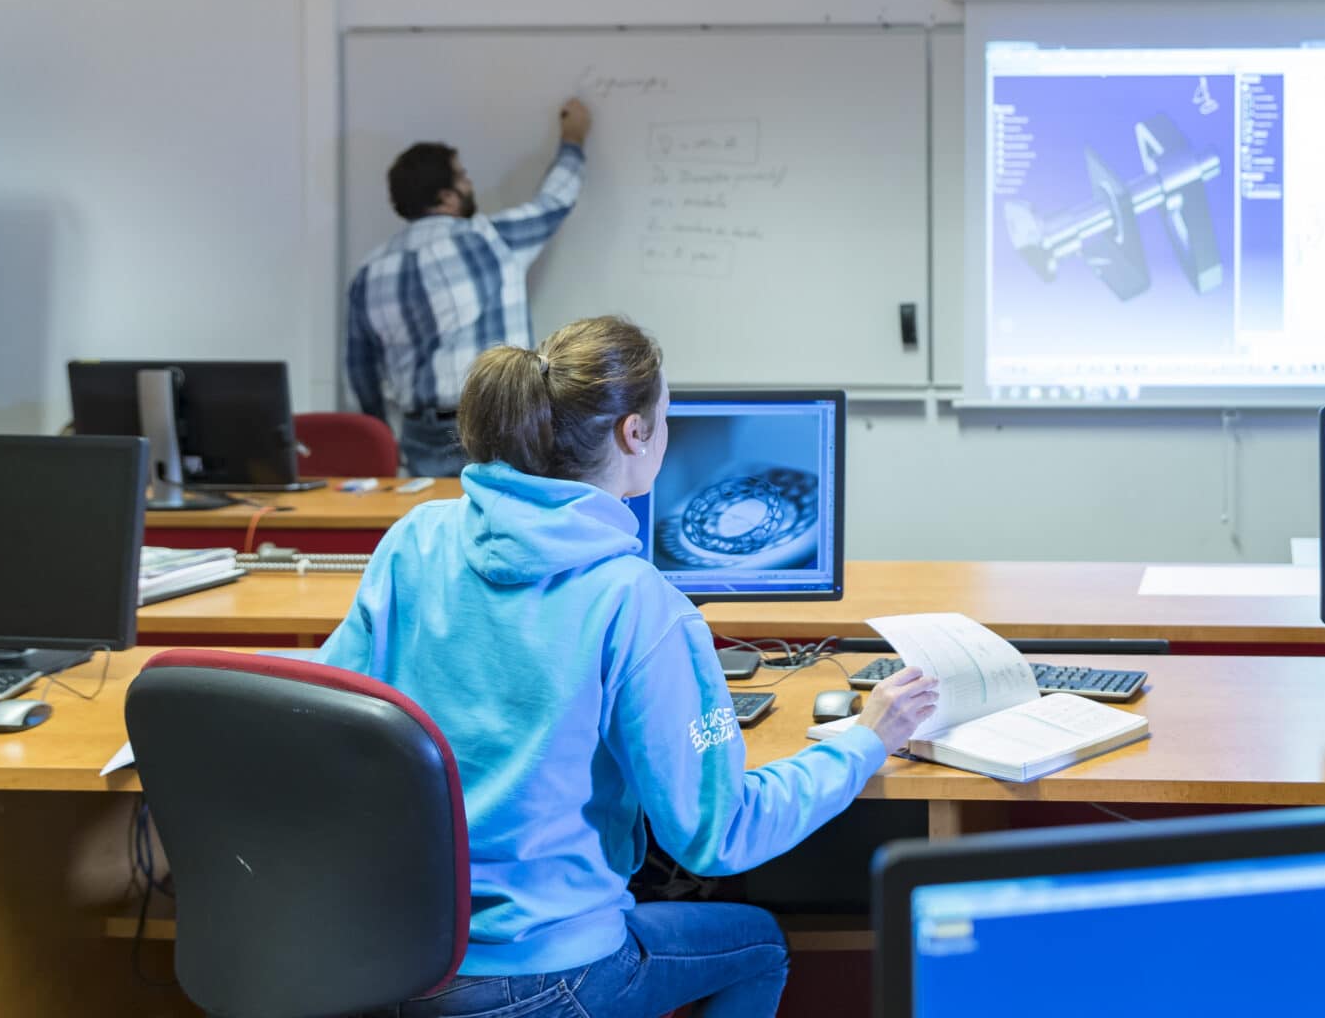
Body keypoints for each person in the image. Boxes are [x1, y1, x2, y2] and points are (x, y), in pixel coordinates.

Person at [319, 316, 939, 1018]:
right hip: (542, 975)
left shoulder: (416, 539)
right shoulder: (635, 599)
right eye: (667, 417)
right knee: (760, 943)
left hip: (390, 958)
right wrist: (866, 740)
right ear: (635, 433)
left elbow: (326, 709)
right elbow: (718, 835)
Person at [346, 99, 592, 476]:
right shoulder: (490, 240)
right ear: (447, 196)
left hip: (418, 434)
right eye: (462, 176)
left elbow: (361, 372)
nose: (469, 183)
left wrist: (383, 438)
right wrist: (573, 138)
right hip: (495, 423)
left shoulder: (369, 272)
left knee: (432, 512)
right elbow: (554, 202)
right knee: (497, 511)